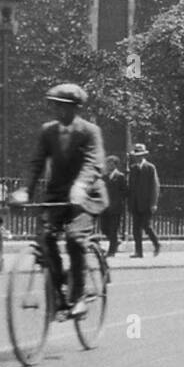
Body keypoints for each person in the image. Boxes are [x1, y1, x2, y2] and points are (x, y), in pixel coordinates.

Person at [18, 83, 107, 319]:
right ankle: (58, 295)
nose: (59, 111)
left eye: (64, 107)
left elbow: (94, 163)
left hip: (86, 198)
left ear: (76, 109)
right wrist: (25, 190)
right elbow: (36, 163)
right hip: (58, 198)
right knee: (45, 240)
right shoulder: (47, 131)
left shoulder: (90, 131)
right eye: (55, 106)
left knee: (75, 239)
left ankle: (78, 297)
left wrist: (80, 185)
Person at [128, 144, 161, 258]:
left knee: (146, 226)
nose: (138, 157)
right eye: (136, 155)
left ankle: (156, 243)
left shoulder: (150, 167)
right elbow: (131, 187)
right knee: (136, 228)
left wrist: (153, 203)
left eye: (140, 155)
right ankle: (139, 252)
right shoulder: (133, 168)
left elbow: (155, 186)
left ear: (144, 155)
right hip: (135, 203)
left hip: (146, 203)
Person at [102, 155, 127, 258]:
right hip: (105, 208)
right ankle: (115, 242)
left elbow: (125, 191)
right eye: (107, 163)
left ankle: (111, 251)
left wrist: (118, 200)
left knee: (113, 230)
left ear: (115, 165)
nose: (108, 165)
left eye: (111, 163)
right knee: (104, 228)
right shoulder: (104, 177)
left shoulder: (120, 176)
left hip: (116, 208)